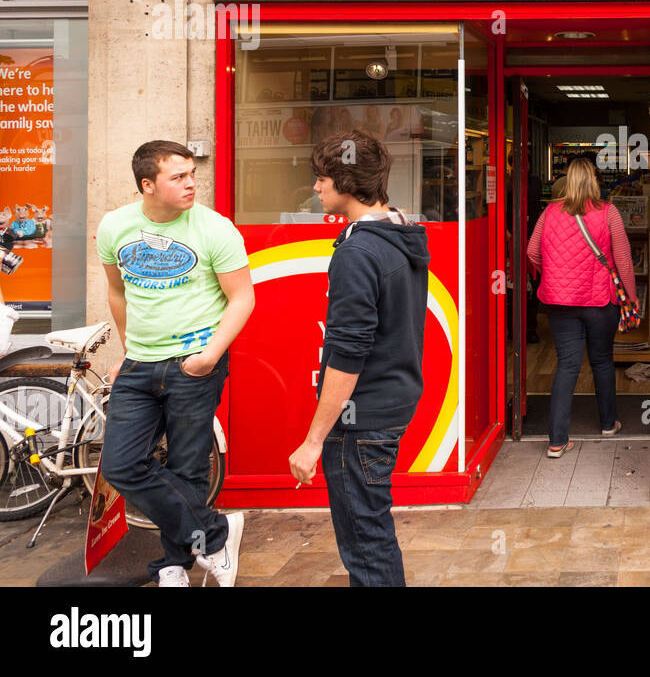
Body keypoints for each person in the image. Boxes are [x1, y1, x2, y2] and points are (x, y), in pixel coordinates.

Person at [97, 141, 255, 587]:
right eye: (177, 176)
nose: (191, 183)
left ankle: (171, 565)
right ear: (147, 185)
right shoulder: (114, 226)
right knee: (121, 466)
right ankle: (217, 534)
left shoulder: (214, 229)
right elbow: (117, 291)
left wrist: (209, 357)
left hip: (193, 362)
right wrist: (127, 349)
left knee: (187, 468)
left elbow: (242, 297)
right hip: (139, 365)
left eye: (191, 173)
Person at [288, 130, 428, 587]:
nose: (316, 188)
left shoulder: (358, 251)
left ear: (345, 184)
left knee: (365, 541)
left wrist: (313, 440)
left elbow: (348, 352)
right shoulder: (398, 232)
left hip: (362, 416)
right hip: (391, 400)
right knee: (370, 529)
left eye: (322, 178)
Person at [526, 156, 637, 458]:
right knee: (602, 361)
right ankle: (607, 423)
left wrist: (551, 272)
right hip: (599, 301)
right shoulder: (609, 212)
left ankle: (557, 440)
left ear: (567, 181)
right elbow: (624, 259)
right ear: (594, 181)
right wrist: (632, 295)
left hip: (559, 302)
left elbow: (531, 251)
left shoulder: (549, 212)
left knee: (567, 366)